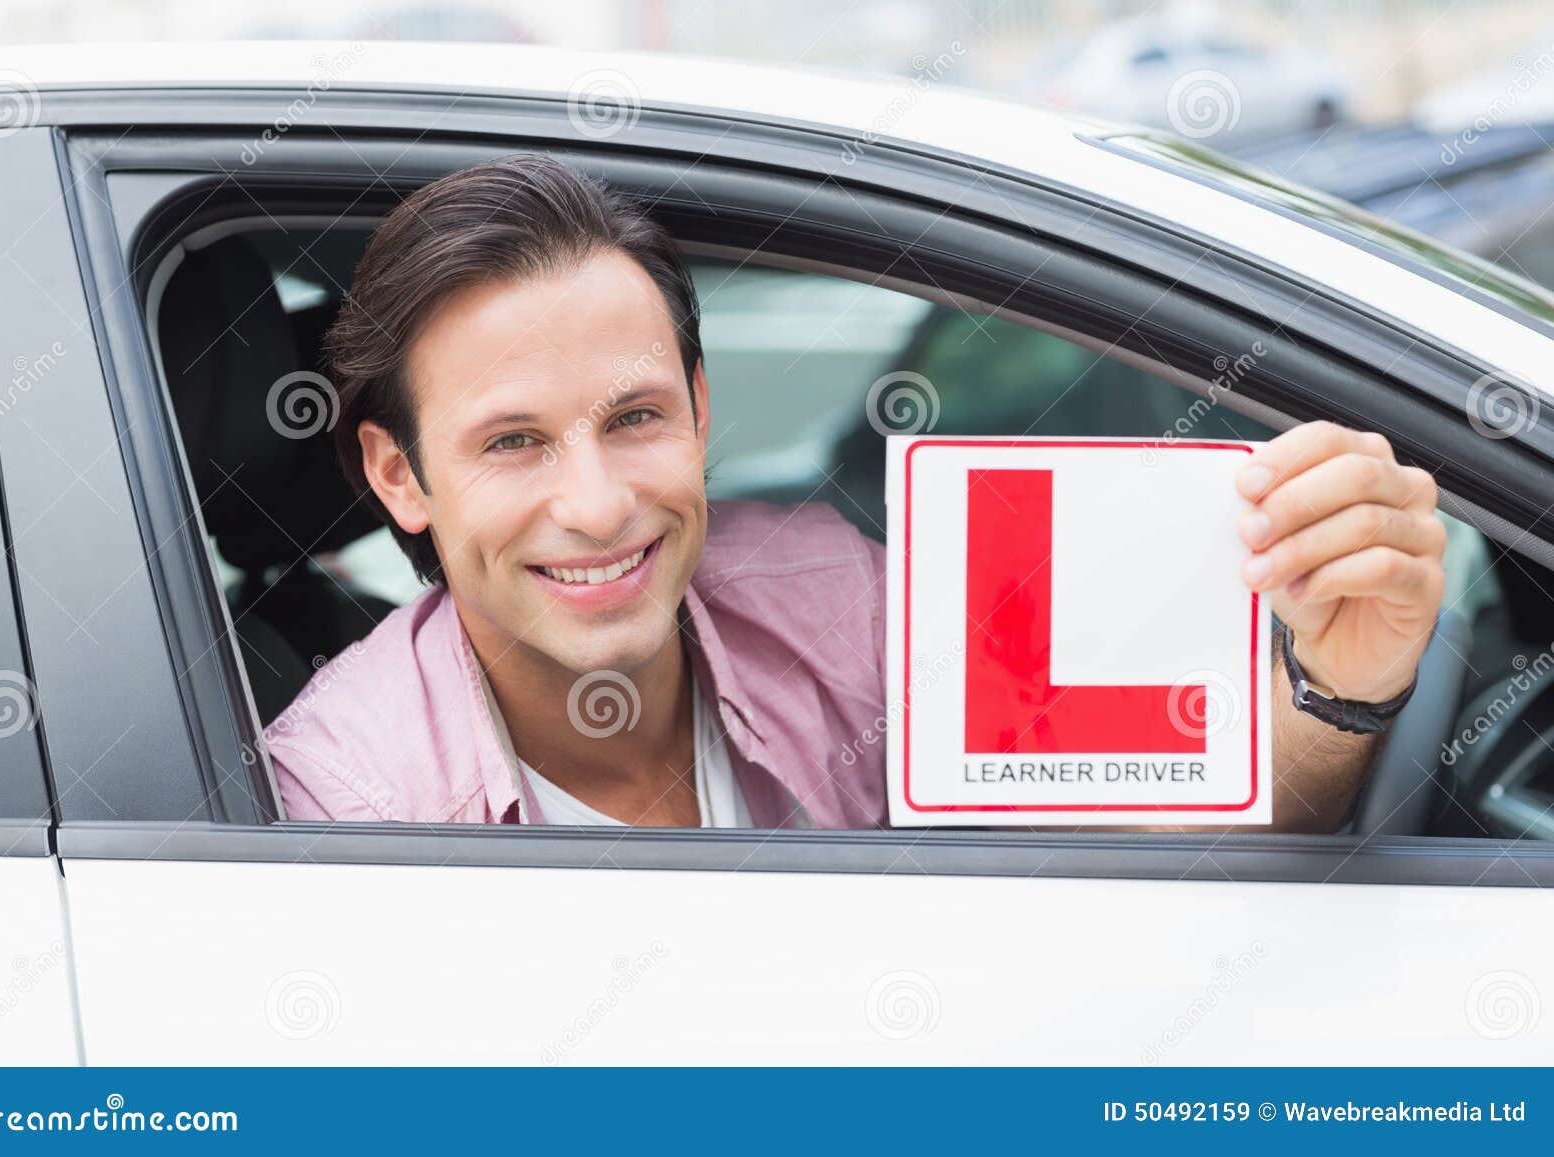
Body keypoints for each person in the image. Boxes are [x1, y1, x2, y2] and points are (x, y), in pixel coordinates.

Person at [264, 154, 1447, 832]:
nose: (597, 503)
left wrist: (1341, 686)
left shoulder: (835, 595)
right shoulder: (346, 794)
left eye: (634, 419)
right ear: (398, 474)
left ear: (701, 411)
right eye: (514, 442)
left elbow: (1164, 833)